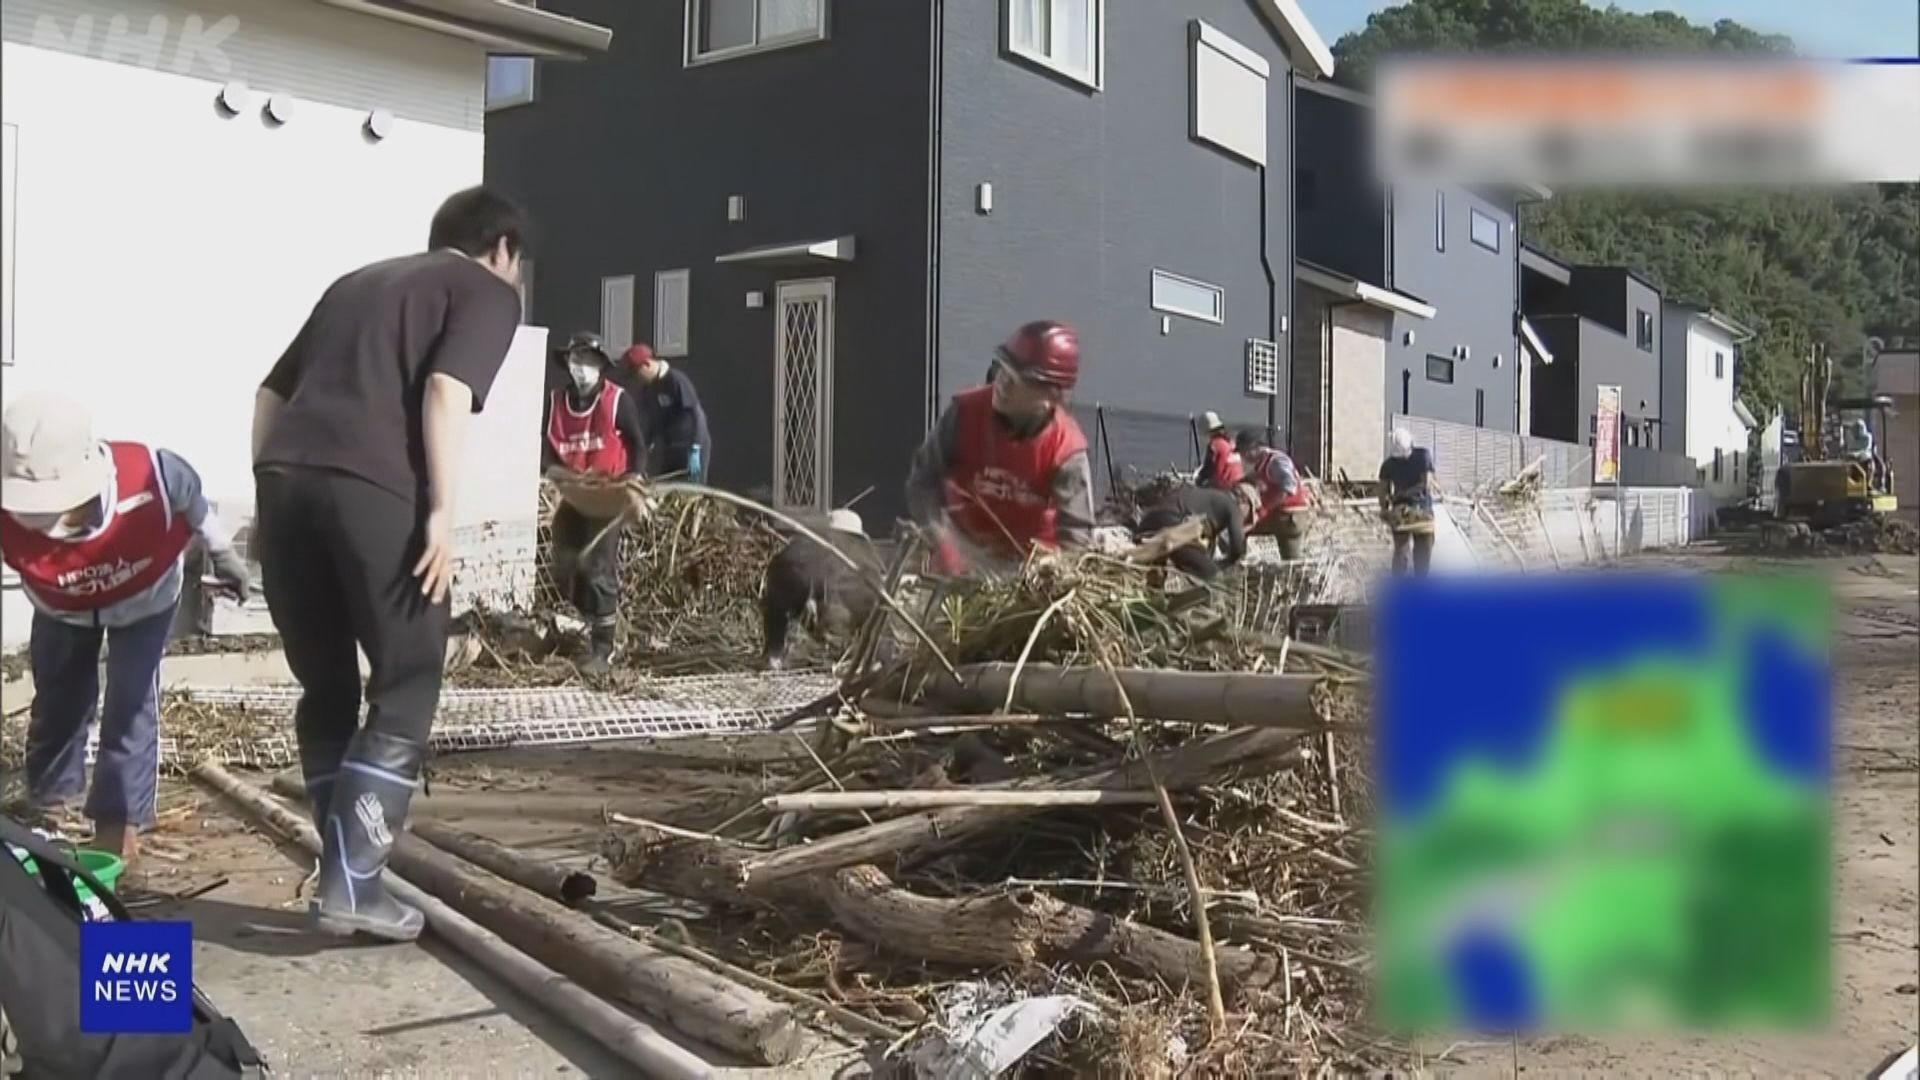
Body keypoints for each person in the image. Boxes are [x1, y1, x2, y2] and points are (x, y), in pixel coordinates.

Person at [251, 185, 526, 942]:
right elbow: (445, 389)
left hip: (283, 484)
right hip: (373, 494)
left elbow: (270, 393)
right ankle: (353, 885)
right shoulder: (485, 291)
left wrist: (267, 491)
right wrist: (441, 511)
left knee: (328, 683)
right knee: (407, 681)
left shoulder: (359, 282)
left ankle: (344, 874)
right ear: (502, 247)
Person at [0, 394, 250, 871]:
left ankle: (117, 831)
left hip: (145, 602)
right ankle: (48, 811)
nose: (33, 520)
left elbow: (195, 506)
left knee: (131, 705)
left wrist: (223, 555)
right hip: (62, 610)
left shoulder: (152, 475)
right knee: (59, 700)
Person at [907, 320, 1097, 572]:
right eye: (1002, 369)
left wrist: (1053, 572)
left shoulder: (1066, 450)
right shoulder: (965, 412)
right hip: (960, 551)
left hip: (1028, 569)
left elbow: (1076, 537)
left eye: (1019, 379)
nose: (1002, 383)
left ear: (1051, 396)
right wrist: (939, 536)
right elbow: (923, 480)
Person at [543, 332, 646, 675]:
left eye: (589, 361)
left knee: (598, 567)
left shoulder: (616, 400)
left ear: (601, 367)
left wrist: (634, 479)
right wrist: (555, 476)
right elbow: (547, 449)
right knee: (567, 559)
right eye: (577, 361)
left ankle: (605, 648)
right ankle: (585, 625)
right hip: (575, 492)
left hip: (607, 493)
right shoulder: (557, 401)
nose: (582, 368)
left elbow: (636, 443)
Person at [1133, 481, 1255, 582]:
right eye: (1249, 515)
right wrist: (1227, 562)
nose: (1245, 520)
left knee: (1157, 575)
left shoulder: (1209, 497)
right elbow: (1238, 548)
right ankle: (1175, 607)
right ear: (1244, 501)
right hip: (1172, 526)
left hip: (1148, 523)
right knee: (1213, 575)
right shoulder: (1231, 505)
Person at [624, 344, 711, 482]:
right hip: (671, 447)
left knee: (692, 489)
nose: (637, 378)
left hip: (691, 446)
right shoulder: (649, 389)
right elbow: (654, 422)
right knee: (670, 487)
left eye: (637, 372)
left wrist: (695, 447)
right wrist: (645, 449)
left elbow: (696, 415)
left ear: (647, 364)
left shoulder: (676, 380)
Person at [1379, 427, 1437, 577]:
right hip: (1422, 512)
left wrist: (1385, 509)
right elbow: (1427, 485)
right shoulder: (1423, 456)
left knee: (1401, 551)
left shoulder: (1388, 465)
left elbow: (1382, 491)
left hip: (1401, 513)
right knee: (1423, 557)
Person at [1245, 435, 1311, 559]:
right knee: (1291, 558)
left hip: (1289, 516)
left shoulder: (1276, 462)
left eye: (1245, 453)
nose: (1244, 458)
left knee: (1239, 528)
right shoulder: (1262, 463)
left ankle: (1236, 566)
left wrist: (1265, 509)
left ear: (1255, 449)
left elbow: (1289, 488)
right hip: (1281, 514)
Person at [1195, 412, 1244, 491]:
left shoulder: (1215, 445)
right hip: (1239, 486)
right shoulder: (1231, 443)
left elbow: (1207, 470)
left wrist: (1198, 482)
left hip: (1224, 488)